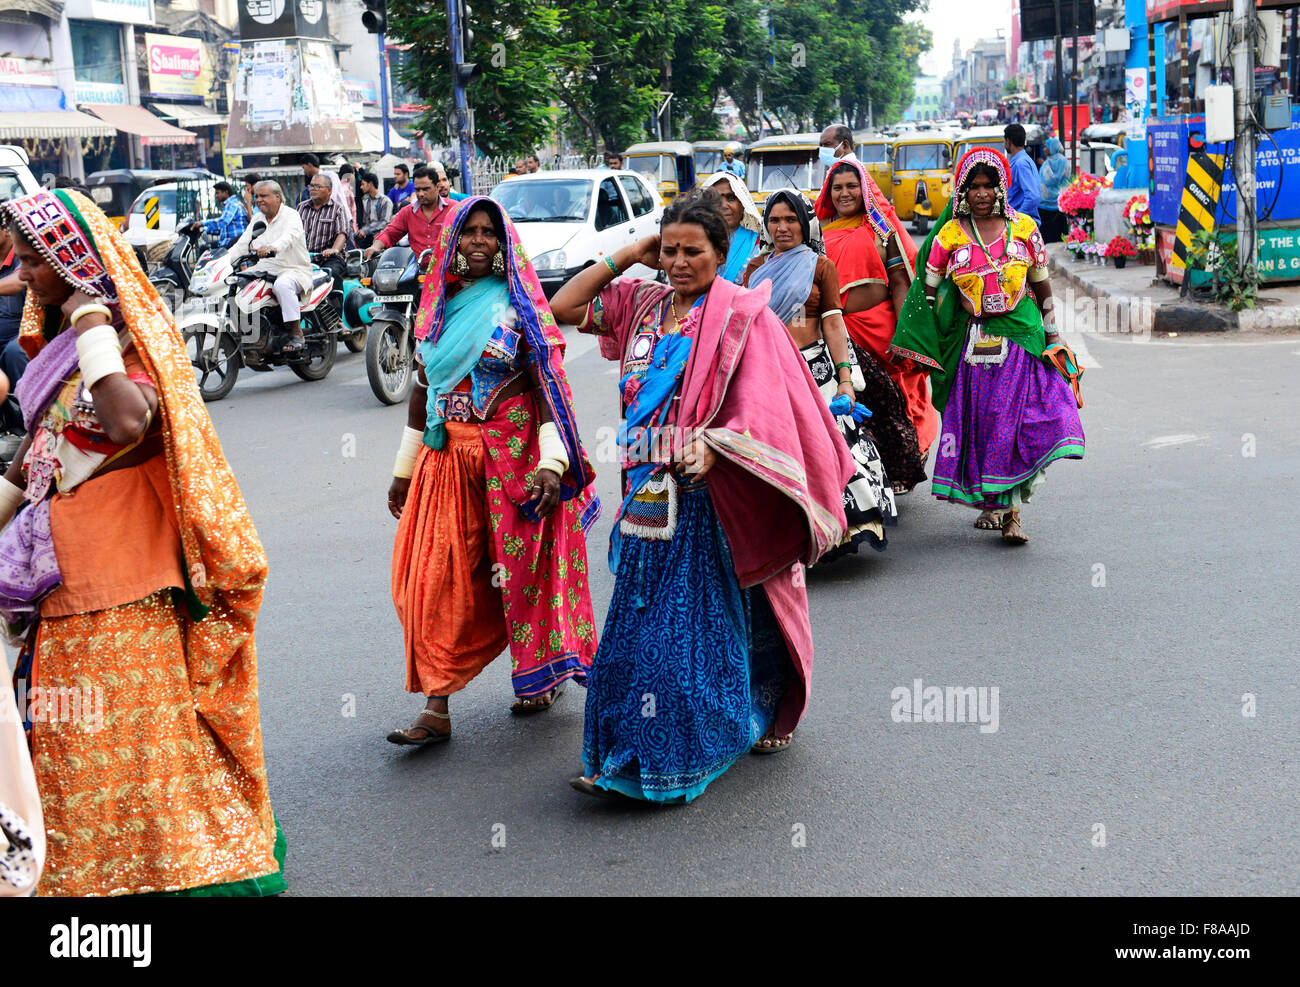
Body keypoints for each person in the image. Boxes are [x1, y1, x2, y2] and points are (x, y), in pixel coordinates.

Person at [0, 188, 284, 896]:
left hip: (122, 577)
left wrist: (92, 308)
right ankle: (75, 872)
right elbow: (31, 463)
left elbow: (125, 424)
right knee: (71, 738)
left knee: (125, 742)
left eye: (35, 259)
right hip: (58, 577)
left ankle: (160, 871)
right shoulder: (65, 353)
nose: (23, 273)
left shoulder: (128, 347)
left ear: (73, 260)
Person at [551, 188, 854, 801]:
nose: (680, 261)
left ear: (721, 253)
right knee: (633, 630)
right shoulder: (640, 304)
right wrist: (630, 252)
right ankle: (622, 752)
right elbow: (560, 306)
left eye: (694, 250)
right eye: (670, 250)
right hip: (642, 496)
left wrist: (716, 447)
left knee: (678, 639)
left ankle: (675, 754)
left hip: (702, 499)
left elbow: (769, 408)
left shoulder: (743, 316)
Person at [384, 197, 600, 745]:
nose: (479, 241)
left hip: (516, 465)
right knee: (432, 582)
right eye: (469, 233)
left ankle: (542, 673)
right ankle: (437, 706)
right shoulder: (433, 307)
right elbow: (423, 391)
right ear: (451, 242)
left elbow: (546, 388)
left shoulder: (518, 306)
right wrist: (403, 472)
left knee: (526, 576)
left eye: (489, 233)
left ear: (503, 245)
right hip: (446, 463)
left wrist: (552, 464)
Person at [893, 148, 1085, 544]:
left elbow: (1042, 286)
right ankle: (992, 501)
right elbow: (926, 295)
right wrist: (928, 340)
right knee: (985, 427)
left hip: (1021, 339)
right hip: (972, 344)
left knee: (1018, 423)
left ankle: (1013, 513)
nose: (982, 193)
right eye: (974, 186)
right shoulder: (949, 236)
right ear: (962, 190)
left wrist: (1052, 333)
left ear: (1002, 187)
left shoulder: (1026, 229)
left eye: (989, 185)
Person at [743, 190, 896, 556]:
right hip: (772, 370)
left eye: (790, 219)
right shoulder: (755, 270)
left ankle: (837, 529)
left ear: (805, 223)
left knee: (832, 444)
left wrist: (844, 378)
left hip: (816, 370)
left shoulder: (820, 266)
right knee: (781, 450)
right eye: (775, 220)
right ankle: (790, 535)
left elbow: (832, 325)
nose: (782, 227)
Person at [815, 158, 936, 492]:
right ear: (829, 192)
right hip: (839, 331)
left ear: (864, 189)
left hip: (880, 329)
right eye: (837, 187)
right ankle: (864, 474)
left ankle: (904, 463)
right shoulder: (820, 232)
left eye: (851, 186)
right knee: (853, 402)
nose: (844, 193)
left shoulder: (880, 227)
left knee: (898, 398)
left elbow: (899, 280)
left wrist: (904, 332)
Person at [226, 180, 313, 353]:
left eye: (263, 196)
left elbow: (289, 237)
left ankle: (297, 333)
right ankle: (247, 331)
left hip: (292, 269)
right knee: (234, 283)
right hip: (265, 269)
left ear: (277, 197)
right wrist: (220, 262)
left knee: (282, 285)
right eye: (256, 196)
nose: (258, 200)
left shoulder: (291, 215)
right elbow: (242, 245)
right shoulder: (258, 219)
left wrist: (274, 247)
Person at [365, 165, 451, 262]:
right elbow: (389, 233)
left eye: (426, 189)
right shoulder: (407, 212)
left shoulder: (453, 209)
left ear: (437, 187)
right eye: (417, 190)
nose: (421, 194)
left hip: (447, 270)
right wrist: (375, 247)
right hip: (419, 271)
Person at [706, 172, 763, 284]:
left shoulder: (759, 243)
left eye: (731, 198)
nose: (723, 205)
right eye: (716, 199)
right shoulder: (697, 242)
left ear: (742, 204)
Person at [297, 172, 349, 291]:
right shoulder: (301, 207)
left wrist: (334, 249)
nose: (313, 189)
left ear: (329, 191)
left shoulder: (338, 209)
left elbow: (342, 233)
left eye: (318, 186)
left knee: (332, 274)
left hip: (329, 258)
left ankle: (335, 309)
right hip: (304, 258)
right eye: (311, 186)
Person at [0, 225, 30, 386]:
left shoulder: (22, 253)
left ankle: (25, 408)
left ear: (5, 230)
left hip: (24, 329)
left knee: (16, 351)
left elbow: (18, 281)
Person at [191, 180, 248, 250]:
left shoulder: (232, 204)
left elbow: (223, 221)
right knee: (204, 248)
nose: (216, 196)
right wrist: (205, 230)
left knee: (204, 249)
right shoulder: (229, 204)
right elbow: (223, 229)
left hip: (233, 244)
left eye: (218, 193)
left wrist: (202, 223)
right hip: (226, 242)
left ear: (226, 192)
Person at [1003, 124, 1042, 226]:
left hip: (1021, 225)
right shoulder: (1024, 160)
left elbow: (1033, 196)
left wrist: (1018, 217)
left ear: (1008, 142)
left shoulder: (1021, 163)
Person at [1038, 137, 1070, 244]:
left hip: (1045, 208)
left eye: (1046, 147)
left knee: (1047, 239)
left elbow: (1045, 182)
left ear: (1052, 148)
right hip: (1061, 205)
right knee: (1060, 238)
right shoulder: (1066, 163)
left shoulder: (1046, 165)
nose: (1044, 150)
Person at [357, 170, 394, 248]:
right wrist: (362, 231)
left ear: (370, 184)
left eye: (363, 184)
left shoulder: (385, 201)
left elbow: (384, 222)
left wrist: (366, 230)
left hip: (381, 237)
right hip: (369, 236)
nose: (361, 187)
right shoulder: (367, 202)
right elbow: (366, 222)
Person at [336, 162, 359, 233]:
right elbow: (351, 211)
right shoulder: (347, 191)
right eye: (354, 174)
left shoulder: (336, 188)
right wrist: (354, 228)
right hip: (348, 226)